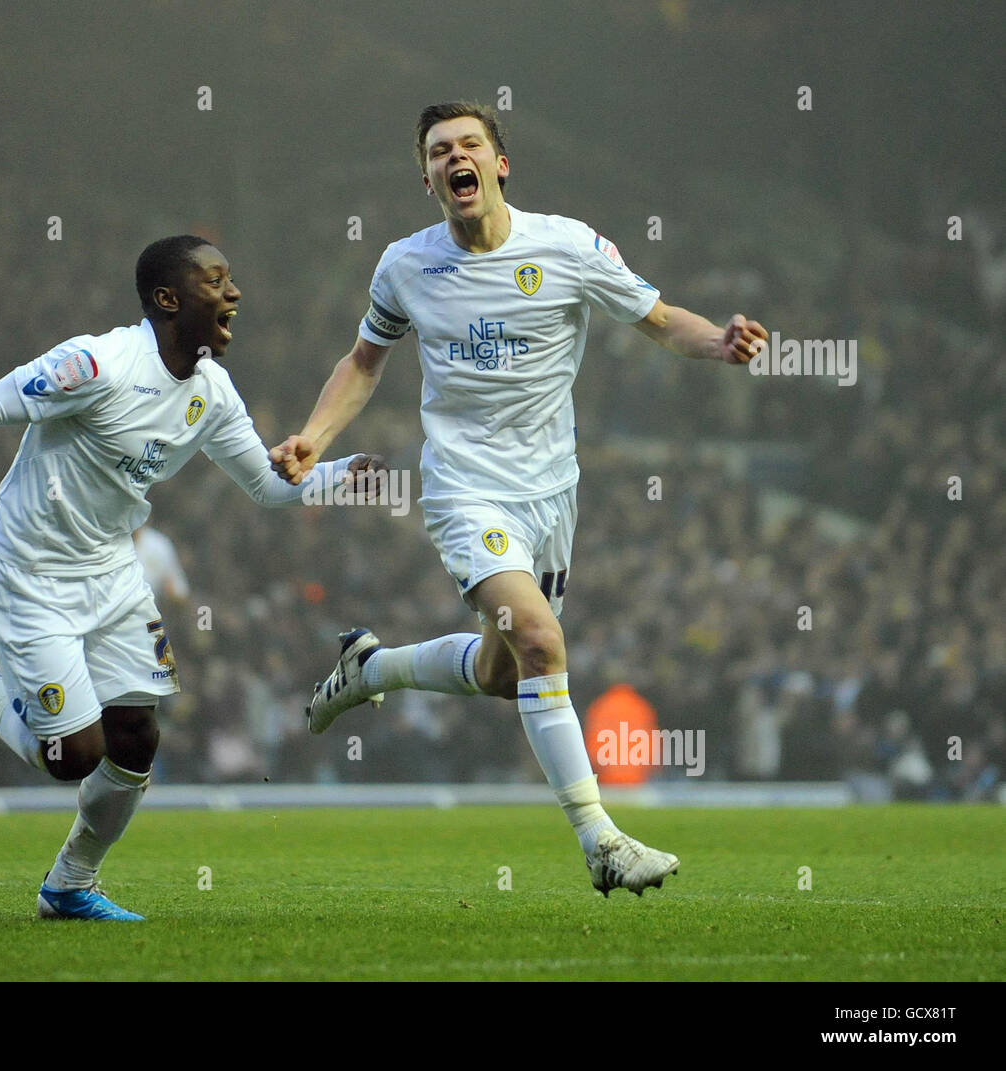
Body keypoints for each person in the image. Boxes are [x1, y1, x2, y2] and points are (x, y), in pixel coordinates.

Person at [270, 102, 768, 897]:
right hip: (466, 491)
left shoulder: (570, 247)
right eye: (439, 151)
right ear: (427, 176)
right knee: (540, 641)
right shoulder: (405, 264)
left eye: (470, 144)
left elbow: (662, 319)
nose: (454, 157)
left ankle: (372, 666)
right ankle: (601, 840)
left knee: (507, 672)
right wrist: (313, 438)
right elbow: (364, 362)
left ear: (500, 165)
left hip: (552, 498)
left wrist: (720, 341)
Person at [0, 235, 379, 921]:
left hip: (111, 570)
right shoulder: (100, 363)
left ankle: (69, 883)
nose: (234, 292)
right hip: (29, 571)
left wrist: (341, 474)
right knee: (72, 755)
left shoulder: (211, 390)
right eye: (217, 280)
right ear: (168, 298)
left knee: (137, 738)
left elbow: (266, 486)